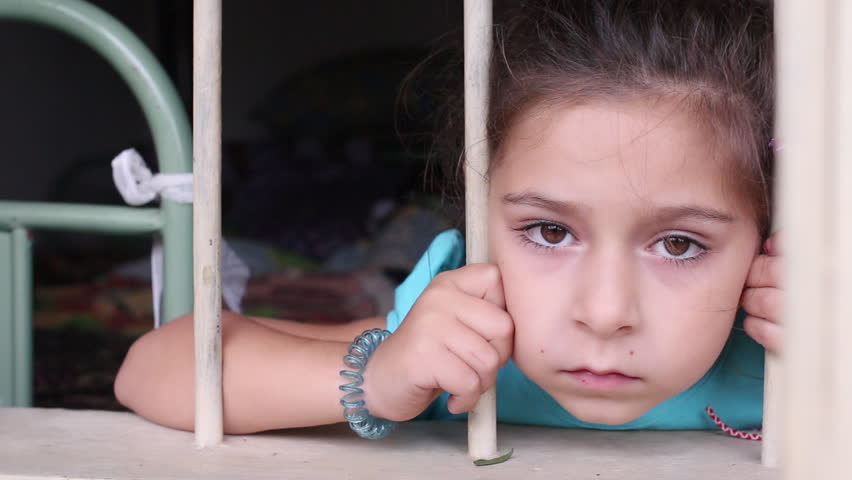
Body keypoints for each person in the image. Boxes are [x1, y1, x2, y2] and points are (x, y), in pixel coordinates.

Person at [114, 0, 781, 436]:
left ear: (767, 240)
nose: (605, 314)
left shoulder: (798, 356)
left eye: (680, 243)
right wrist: (378, 375)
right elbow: (154, 366)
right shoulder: (464, 345)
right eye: (549, 232)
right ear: (479, 213)